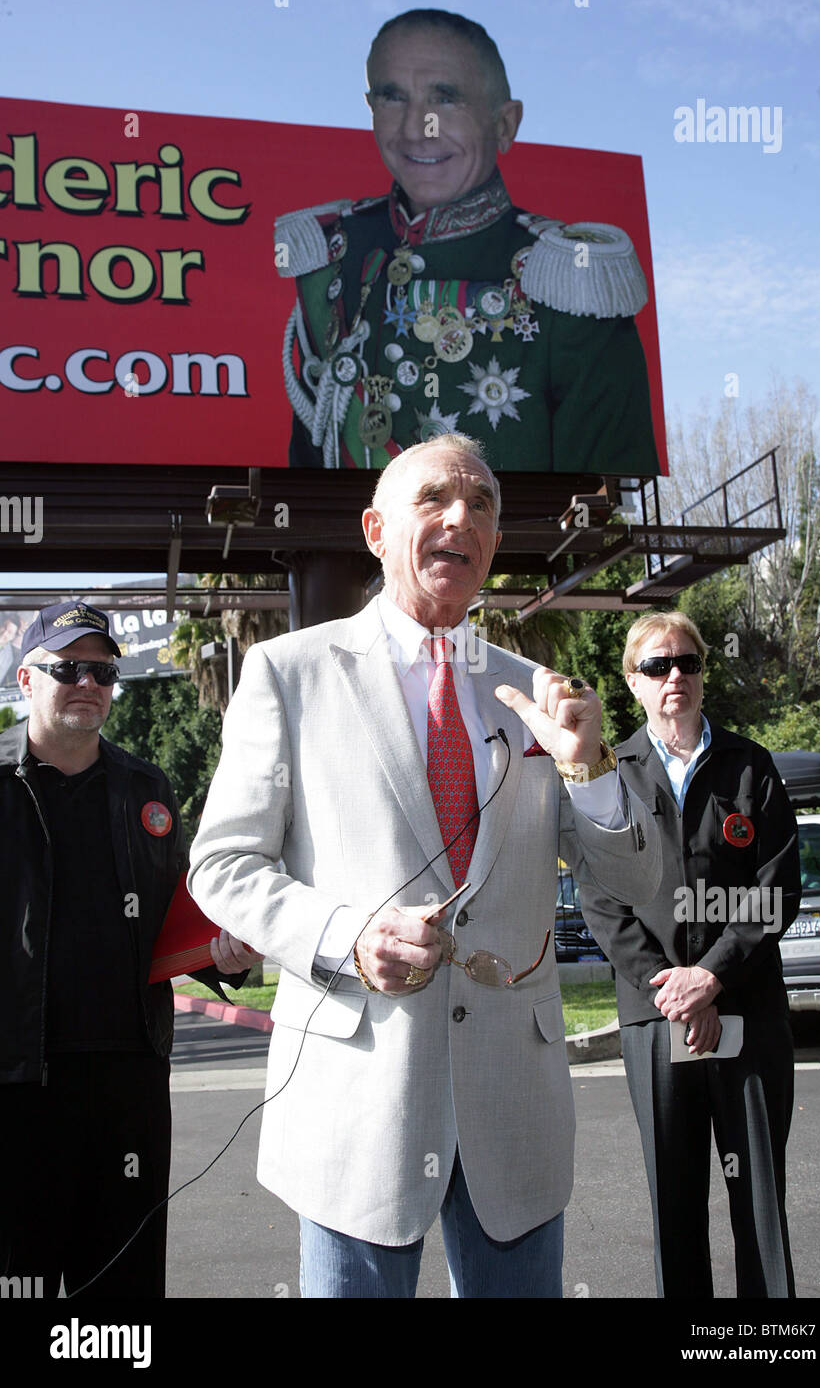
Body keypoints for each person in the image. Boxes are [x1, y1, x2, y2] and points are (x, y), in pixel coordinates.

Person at [189, 432, 661, 1298]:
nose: (463, 518)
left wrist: (588, 774)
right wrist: (348, 936)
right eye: (436, 498)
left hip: (512, 1106)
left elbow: (634, 887)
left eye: (482, 503)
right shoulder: (288, 673)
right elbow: (222, 865)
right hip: (354, 1103)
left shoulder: (540, 695)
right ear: (374, 530)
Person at [276, 8, 659, 475]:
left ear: (505, 124)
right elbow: (311, 459)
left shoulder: (571, 275)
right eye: (393, 97)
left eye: (446, 99)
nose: (417, 128)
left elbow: (598, 496)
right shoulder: (334, 250)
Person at [0, 601, 253, 1298]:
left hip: (128, 1088)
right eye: (70, 668)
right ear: (26, 679)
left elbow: (171, 917)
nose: (89, 684)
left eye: (104, 672)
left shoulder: (147, 788)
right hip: (16, 1086)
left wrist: (219, 952)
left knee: (120, 1291)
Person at [576, 611, 801, 1298]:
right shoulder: (609, 776)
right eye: (656, 666)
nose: (675, 676)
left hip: (749, 1015)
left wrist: (711, 978)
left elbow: (777, 890)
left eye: (687, 663)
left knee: (759, 1199)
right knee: (674, 1202)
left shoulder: (750, 766)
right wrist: (669, 990)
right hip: (654, 1019)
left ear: (703, 672)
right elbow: (601, 900)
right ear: (632, 683)